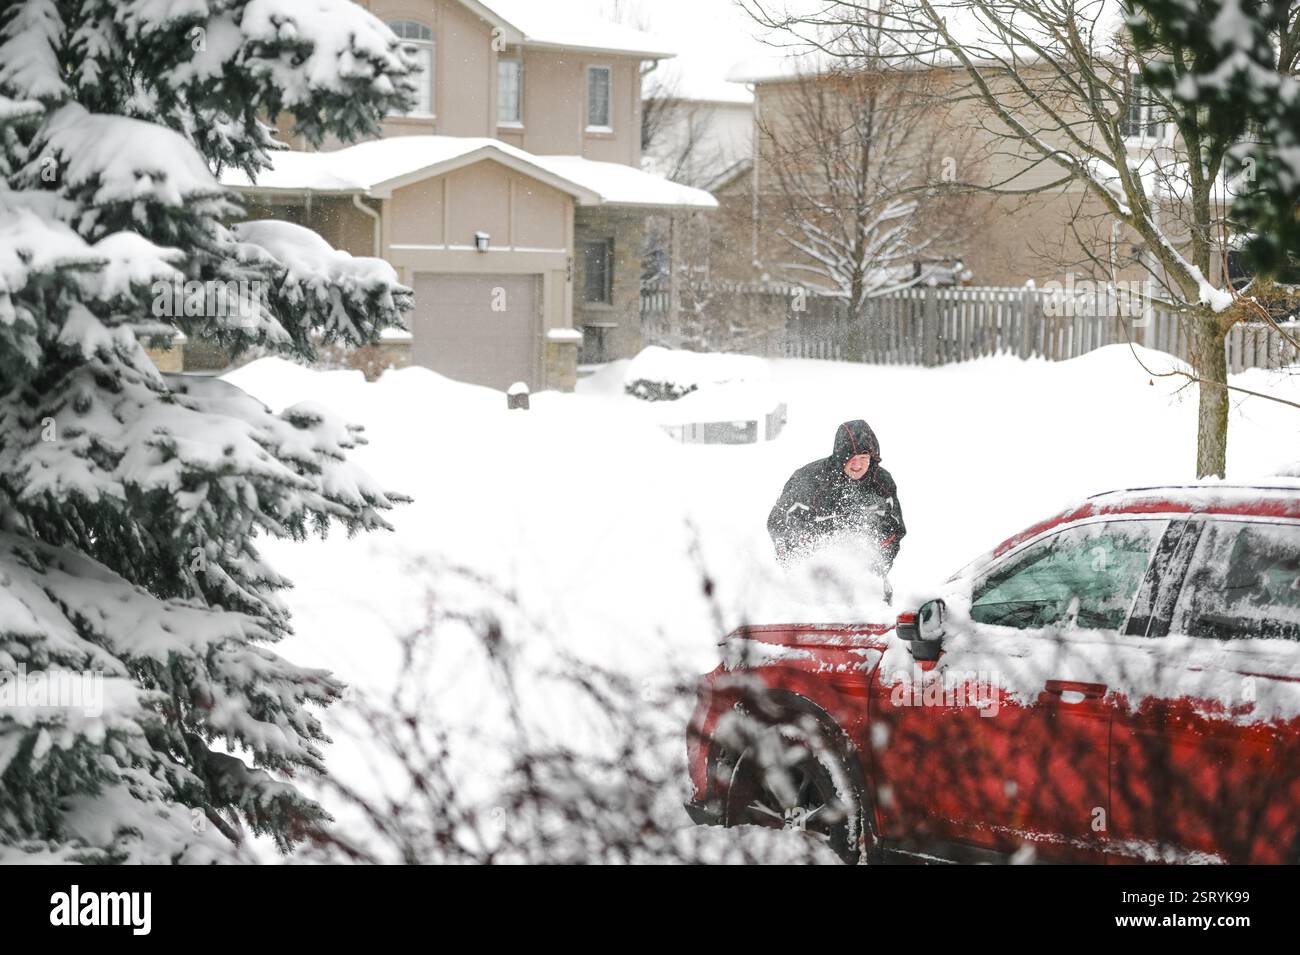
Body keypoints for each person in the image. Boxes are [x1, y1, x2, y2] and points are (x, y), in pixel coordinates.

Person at [767, 419, 906, 580]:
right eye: (851, 457)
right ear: (840, 457)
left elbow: (895, 530)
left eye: (863, 457)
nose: (857, 465)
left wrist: (877, 568)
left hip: (865, 580)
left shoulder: (882, 483)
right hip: (810, 578)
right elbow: (777, 521)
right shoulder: (809, 480)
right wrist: (796, 565)